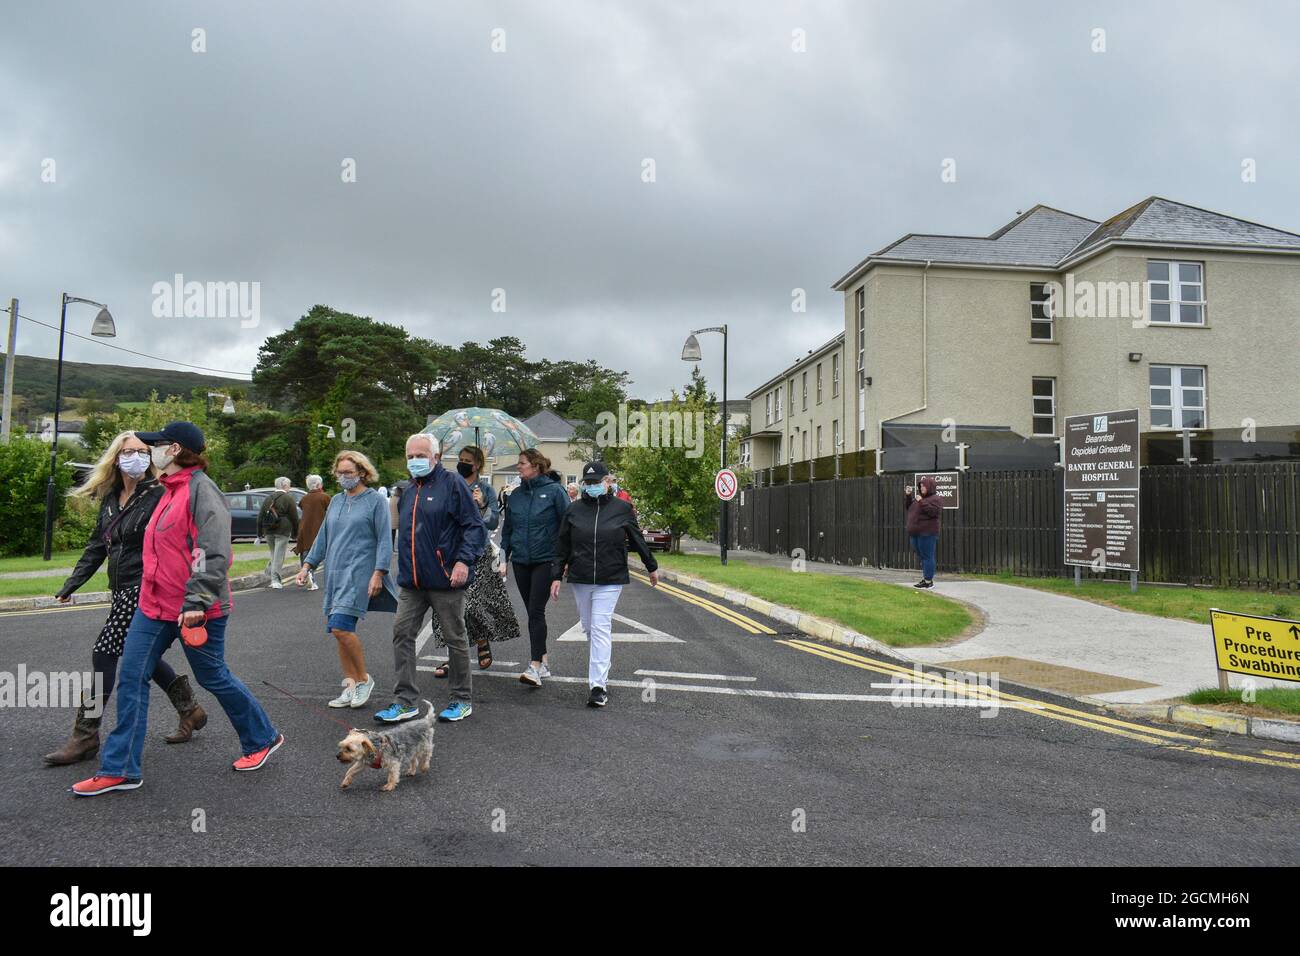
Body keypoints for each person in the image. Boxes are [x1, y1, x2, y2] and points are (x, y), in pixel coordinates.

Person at [73, 421, 283, 796]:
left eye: (157, 444)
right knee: (131, 676)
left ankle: (262, 737)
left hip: (194, 607)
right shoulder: (167, 490)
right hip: (153, 606)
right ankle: (120, 769)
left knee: (212, 676)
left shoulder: (203, 491)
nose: (150, 450)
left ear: (175, 450)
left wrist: (197, 600)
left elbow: (212, 550)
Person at [45, 432, 204, 765]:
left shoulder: (159, 493)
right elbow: (97, 545)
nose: (136, 457)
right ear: (116, 458)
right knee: (139, 653)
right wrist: (72, 583)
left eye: (143, 452)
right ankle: (189, 710)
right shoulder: (112, 498)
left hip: (145, 586)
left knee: (103, 654)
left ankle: (85, 736)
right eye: (128, 452)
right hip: (121, 589)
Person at [376, 433, 485, 724]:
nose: (415, 461)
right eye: (410, 456)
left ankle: (461, 699)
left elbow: (474, 527)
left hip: (446, 579)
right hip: (413, 582)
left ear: (435, 457)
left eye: (421, 455)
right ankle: (405, 700)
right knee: (401, 634)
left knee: (455, 638)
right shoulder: (409, 489)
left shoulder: (453, 484)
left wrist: (463, 561)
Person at [551, 460, 659, 707]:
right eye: (587, 483)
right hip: (581, 577)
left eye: (596, 482)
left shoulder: (622, 508)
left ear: (607, 482)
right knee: (589, 628)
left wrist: (651, 566)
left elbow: (637, 538)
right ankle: (602, 661)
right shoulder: (574, 510)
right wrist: (556, 575)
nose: (592, 486)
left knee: (600, 627)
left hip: (610, 577)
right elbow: (562, 544)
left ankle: (598, 686)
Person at [297, 451, 397, 708]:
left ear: (362, 473)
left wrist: (379, 573)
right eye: (339, 473)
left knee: (341, 626)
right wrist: (307, 565)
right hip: (334, 574)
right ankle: (350, 684)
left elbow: (385, 539)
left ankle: (363, 679)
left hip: (359, 574)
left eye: (348, 473)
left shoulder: (375, 501)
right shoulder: (336, 501)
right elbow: (323, 536)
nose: (343, 477)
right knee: (339, 631)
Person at [430, 445, 518, 676]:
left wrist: (481, 505)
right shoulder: (450, 486)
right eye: (460, 459)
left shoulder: (486, 489)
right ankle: (453, 658)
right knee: (448, 608)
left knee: (474, 606)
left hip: (477, 554)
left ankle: (480, 640)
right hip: (450, 554)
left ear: (477, 464)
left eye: (467, 460)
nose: (462, 463)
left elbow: (491, 524)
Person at [500, 448, 569, 687]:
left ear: (536, 466)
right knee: (532, 611)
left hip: (545, 560)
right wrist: (502, 558)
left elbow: (566, 528)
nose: (518, 467)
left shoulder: (555, 492)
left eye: (522, 463)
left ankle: (535, 666)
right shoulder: (515, 495)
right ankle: (545, 661)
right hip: (520, 561)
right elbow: (507, 530)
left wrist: (563, 561)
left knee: (536, 610)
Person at [258, 476, 300, 589]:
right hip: (283, 529)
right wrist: (295, 533)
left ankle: (269, 571)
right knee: (279, 555)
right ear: (285, 486)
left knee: (274, 553)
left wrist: (259, 534)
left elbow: (260, 517)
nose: (290, 487)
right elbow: (294, 518)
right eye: (289, 485)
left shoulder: (268, 498)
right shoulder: (288, 498)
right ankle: (275, 580)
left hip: (268, 529)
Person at [904, 476, 942, 589]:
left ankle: (928, 581)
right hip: (915, 533)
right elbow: (909, 507)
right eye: (920, 486)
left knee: (927, 557)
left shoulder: (935, 499)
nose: (922, 487)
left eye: (924, 486)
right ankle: (925, 578)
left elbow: (933, 512)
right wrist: (908, 496)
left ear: (930, 486)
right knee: (923, 556)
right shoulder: (919, 499)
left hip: (927, 533)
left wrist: (921, 502)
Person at [294, 474, 329, 590]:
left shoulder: (304, 499)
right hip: (319, 529)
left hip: (304, 528)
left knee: (306, 553)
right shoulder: (325, 497)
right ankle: (312, 575)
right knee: (324, 555)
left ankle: (307, 575)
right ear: (318, 485)